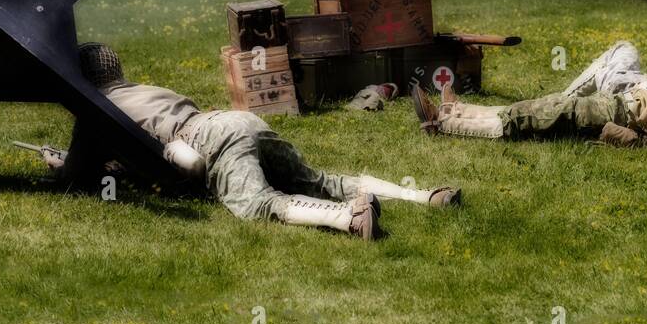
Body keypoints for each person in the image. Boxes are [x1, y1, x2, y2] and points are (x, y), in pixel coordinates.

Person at [35, 43, 462, 241]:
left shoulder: (97, 112)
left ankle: (350, 218)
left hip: (209, 139)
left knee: (257, 205)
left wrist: (60, 167)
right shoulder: (143, 89)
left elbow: (77, 175)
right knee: (319, 179)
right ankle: (425, 196)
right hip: (235, 121)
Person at [409, 44, 647, 166]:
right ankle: (459, 110)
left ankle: (450, 122)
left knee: (561, 111)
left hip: (630, 108)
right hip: (641, 91)